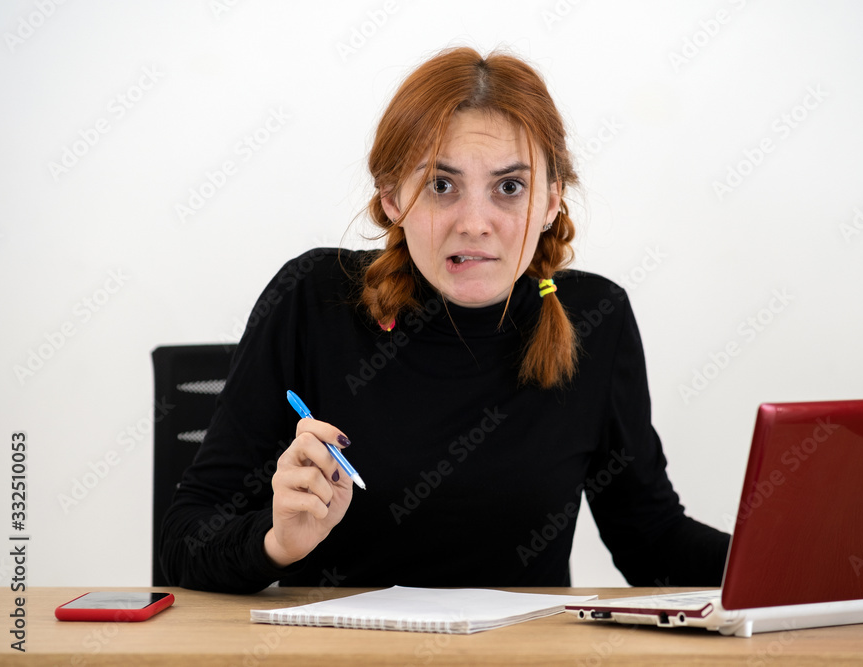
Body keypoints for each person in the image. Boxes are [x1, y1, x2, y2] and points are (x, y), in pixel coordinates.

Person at [160, 46, 730, 594]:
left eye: (510, 187)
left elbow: (651, 540)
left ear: (552, 202)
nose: (474, 222)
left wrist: (780, 558)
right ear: (392, 198)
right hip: (342, 647)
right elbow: (186, 539)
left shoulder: (596, 319)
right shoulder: (312, 299)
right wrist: (276, 542)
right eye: (441, 185)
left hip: (525, 649)